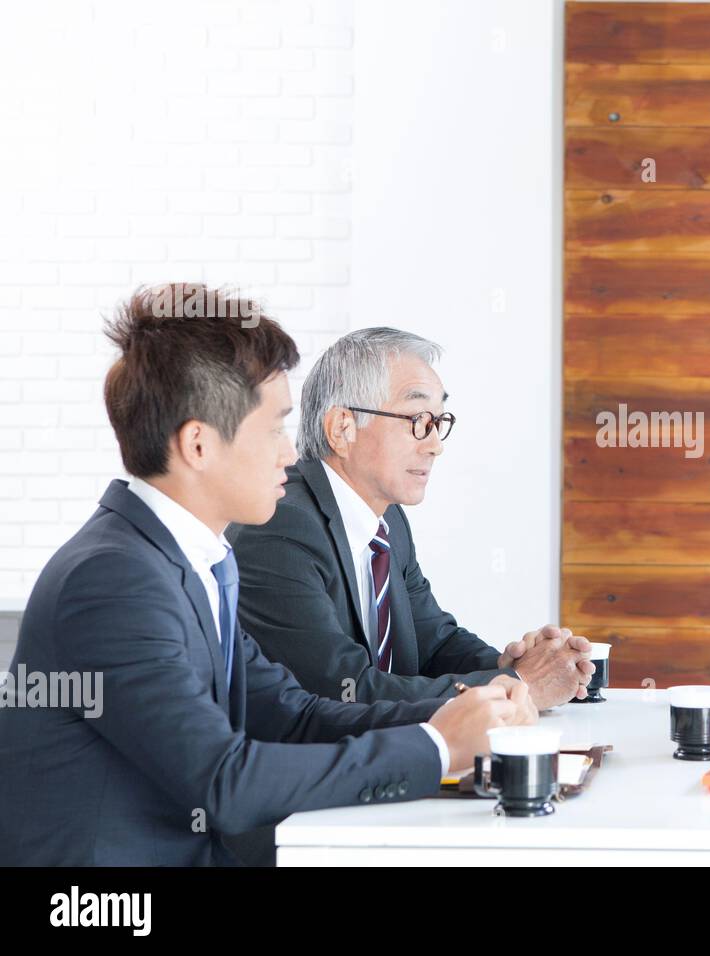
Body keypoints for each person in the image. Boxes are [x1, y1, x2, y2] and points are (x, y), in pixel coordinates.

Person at [0, 286, 531, 866]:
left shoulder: (202, 560)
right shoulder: (112, 579)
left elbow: (292, 712)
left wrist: (466, 711)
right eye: (275, 428)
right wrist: (435, 748)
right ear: (198, 444)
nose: (289, 453)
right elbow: (223, 781)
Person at [228, 328, 594, 711]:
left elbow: (433, 642)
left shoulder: (388, 521)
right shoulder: (279, 525)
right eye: (418, 419)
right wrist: (518, 686)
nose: (435, 445)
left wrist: (511, 665)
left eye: (439, 422)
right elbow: (342, 689)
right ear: (342, 428)